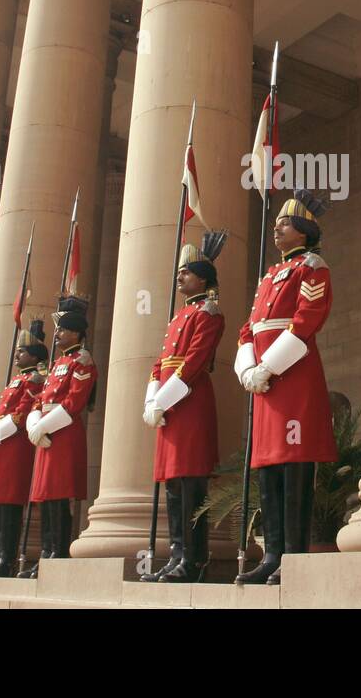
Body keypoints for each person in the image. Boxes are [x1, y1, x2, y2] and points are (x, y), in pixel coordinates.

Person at [235, 190, 337, 585]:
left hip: (292, 374)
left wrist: (268, 366)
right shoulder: (268, 277)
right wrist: (248, 369)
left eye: (286, 222)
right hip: (264, 381)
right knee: (269, 469)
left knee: (294, 466)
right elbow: (248, 329)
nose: (277, 227)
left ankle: (294, 558)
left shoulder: (312, 268)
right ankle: (272, 554)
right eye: (276, 221)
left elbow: (306, 320)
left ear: (306, 231)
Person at [141, 231, 227, 583]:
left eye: (186, 272)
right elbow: (159, 362)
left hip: (188, 404)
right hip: (170, 408)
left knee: (191, 485)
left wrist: (161, 400)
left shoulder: (208, 313)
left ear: (203, 276)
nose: (180, 277)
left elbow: (192, 363)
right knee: (173, 487)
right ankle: (177, 554)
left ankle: (194, 559)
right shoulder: (178, 316)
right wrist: (151, 397)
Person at [24, 296, 97, 578]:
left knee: (59, 496)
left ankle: (58, 551)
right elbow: (40, 398)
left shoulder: (83, 360)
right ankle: (46, 552)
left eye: (63, 329)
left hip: (63, 431)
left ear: (77, 332)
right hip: (45, 430)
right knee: (45, 496)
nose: (58, 334)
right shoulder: (57, 364)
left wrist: (43, 426)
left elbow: (74, 402)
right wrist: (34, 421)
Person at [0, 319, 48, 578]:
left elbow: (21, 414)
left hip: (15, 446)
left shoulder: (34, 379)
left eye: (22, 351)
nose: (17, 355)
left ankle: (6, 559)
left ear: (34, 355)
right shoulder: (16, 380)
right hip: (0, 446)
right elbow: (1, 412)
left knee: (11, 504)